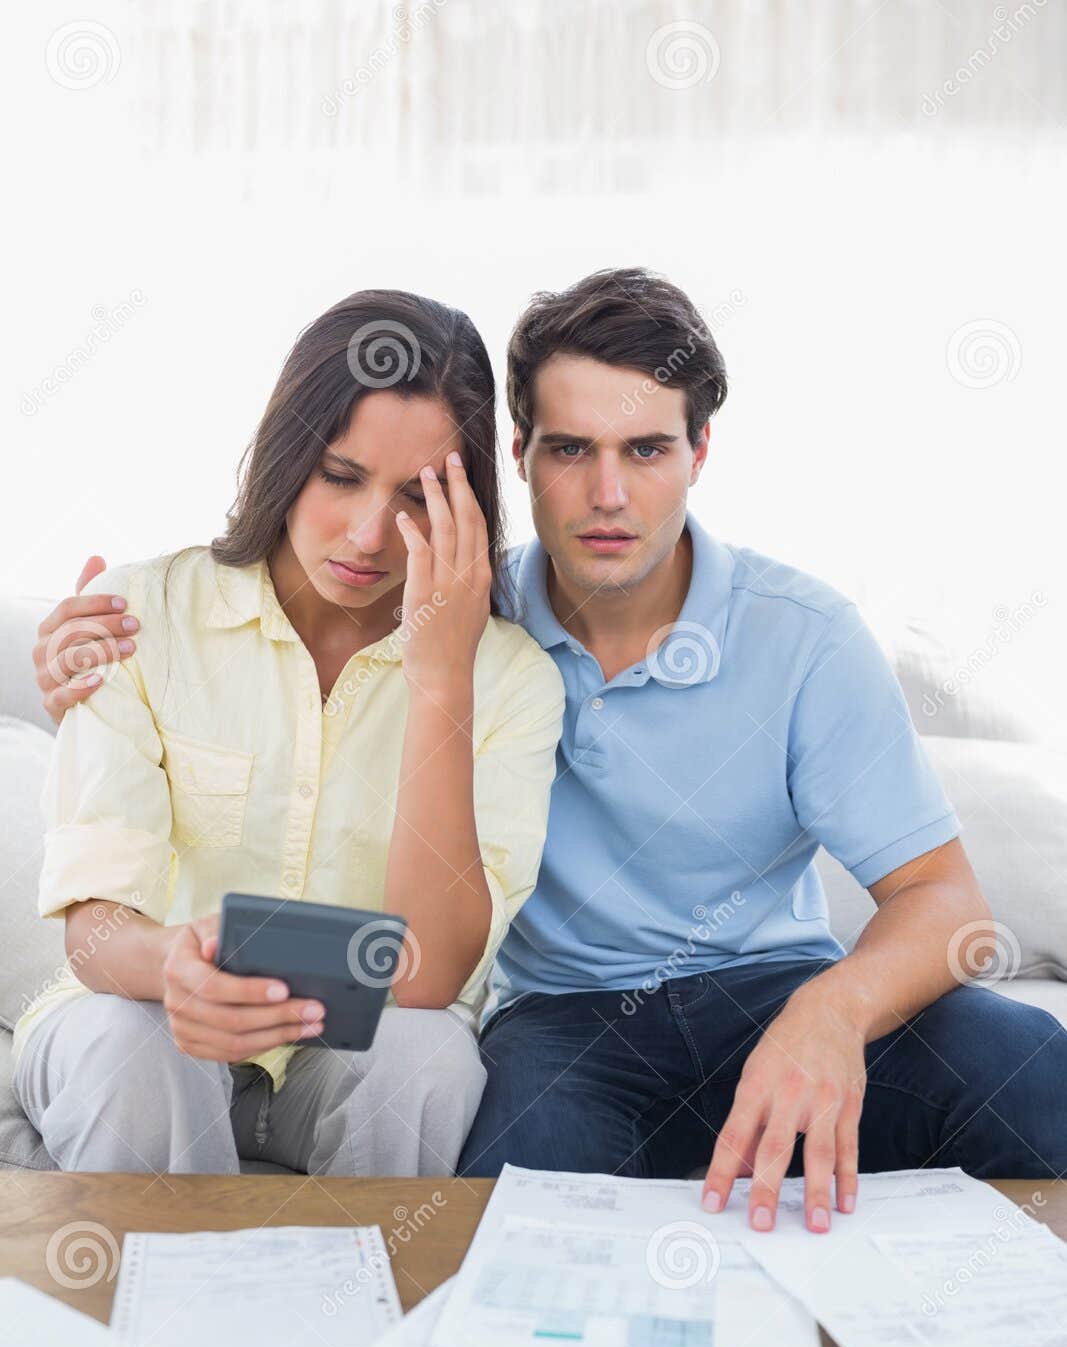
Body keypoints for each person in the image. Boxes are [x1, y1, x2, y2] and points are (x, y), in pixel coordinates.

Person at [37, 270, 1067, 1229]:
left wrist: (830, 1013)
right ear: (519, 456)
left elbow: (944, 900)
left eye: (646, 450)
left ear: (698, 453)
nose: (606, 495)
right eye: (570, 450)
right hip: (569, 1022)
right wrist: (69, 661)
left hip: (769, 990)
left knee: (1031, 1065)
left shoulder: (788, 636)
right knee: (514, 1183)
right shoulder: (465, 614)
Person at [15, 289, 564, 1177]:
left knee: (427, 1059)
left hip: (339, 1060)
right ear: (286, 457)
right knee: (130, 1046)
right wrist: (177, 965)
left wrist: (438, 677)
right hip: (145, 1021)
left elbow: (428, 978)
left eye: (418, 498)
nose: (367, 535)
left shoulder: (508, 681)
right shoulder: (140, 615)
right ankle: (152, 1309)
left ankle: (370, 1313)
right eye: (341, 477)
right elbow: (90, 931)